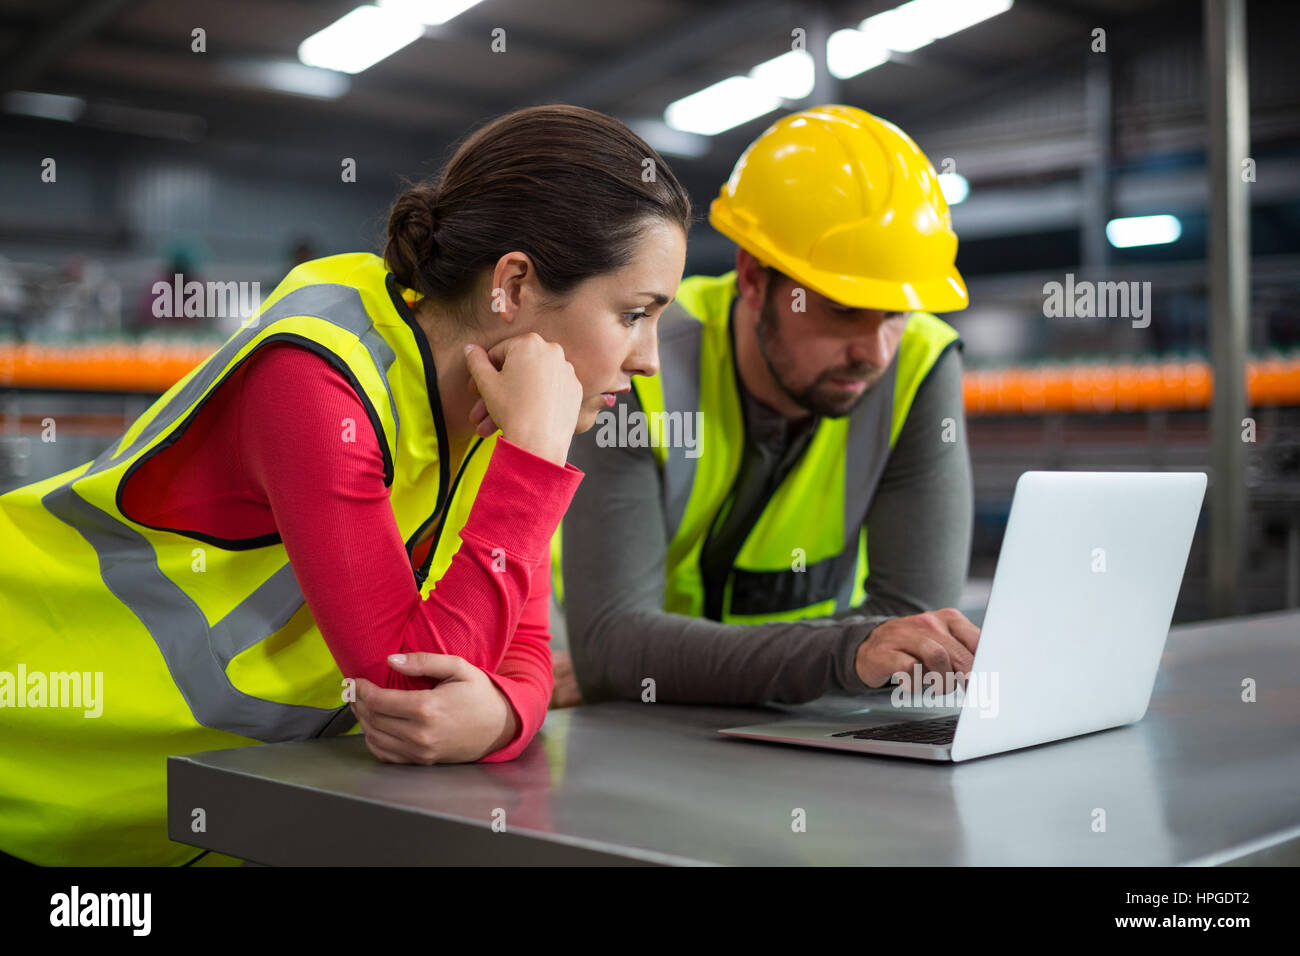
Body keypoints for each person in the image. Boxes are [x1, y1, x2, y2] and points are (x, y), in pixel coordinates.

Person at [0, 104, 690, 866]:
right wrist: (531, 463)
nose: (649, 359)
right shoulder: (317, 383)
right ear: (514, 287)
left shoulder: (507, 414)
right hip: (29, 752)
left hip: (157, 819)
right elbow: (413, 692)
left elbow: (524, 655)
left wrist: (498, 714)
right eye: (633, 314)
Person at [557, 105, 979, 707]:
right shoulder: (640, 369)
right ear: (754, 279)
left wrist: (663, 657)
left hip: (802, 725)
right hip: (623, 728)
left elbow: (913, 624)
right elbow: (613, 644)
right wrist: (845, 652)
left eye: (895, 315)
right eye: (840, 310)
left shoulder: (920, 366)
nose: (874, 352)